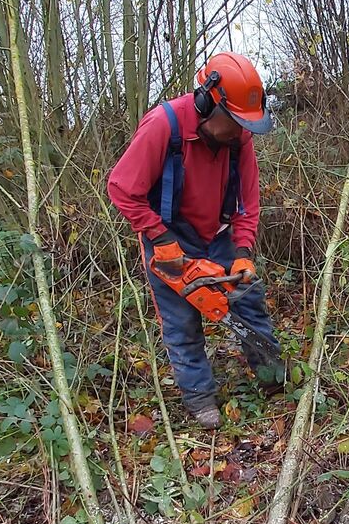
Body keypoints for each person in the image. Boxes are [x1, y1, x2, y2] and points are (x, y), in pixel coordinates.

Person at [107, 52, 283, 430]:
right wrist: (160, 237)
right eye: (234, 121)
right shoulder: (163, 126)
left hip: (219, 234)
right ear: (206, 102)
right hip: (169, 234)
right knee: (182, 322)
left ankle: (273, 379)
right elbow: (121, 188)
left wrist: (242, 253)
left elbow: (247, 203)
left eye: (245, 123)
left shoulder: (240, 140)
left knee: (248, 300)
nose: (241, 132)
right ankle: (201, 399)